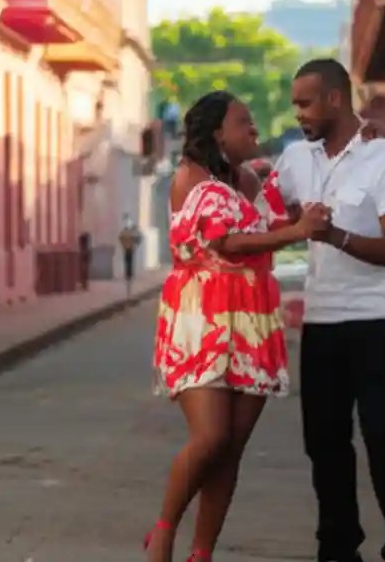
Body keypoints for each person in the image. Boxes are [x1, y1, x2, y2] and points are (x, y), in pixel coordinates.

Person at [146, 90, 333, 562]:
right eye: (243, 122)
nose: (253, 129)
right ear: (216, 133)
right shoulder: (189, 179)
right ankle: (164, 531)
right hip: (202, 315)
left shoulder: (245, 178)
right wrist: (295, 230)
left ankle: (201, 552)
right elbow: (227, 241)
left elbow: (273, 222)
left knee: (231, 449)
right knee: (209, 438)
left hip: (251, 318)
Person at [269, 58, 385, 562]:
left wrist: (331, 233)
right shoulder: (296, 160)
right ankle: (338, 548)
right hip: (323, 322)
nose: (298, 113)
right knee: (325, 442)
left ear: (335, 98)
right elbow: (262, 200)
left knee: (383, 437)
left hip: (381, 321)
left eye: (305, 102)